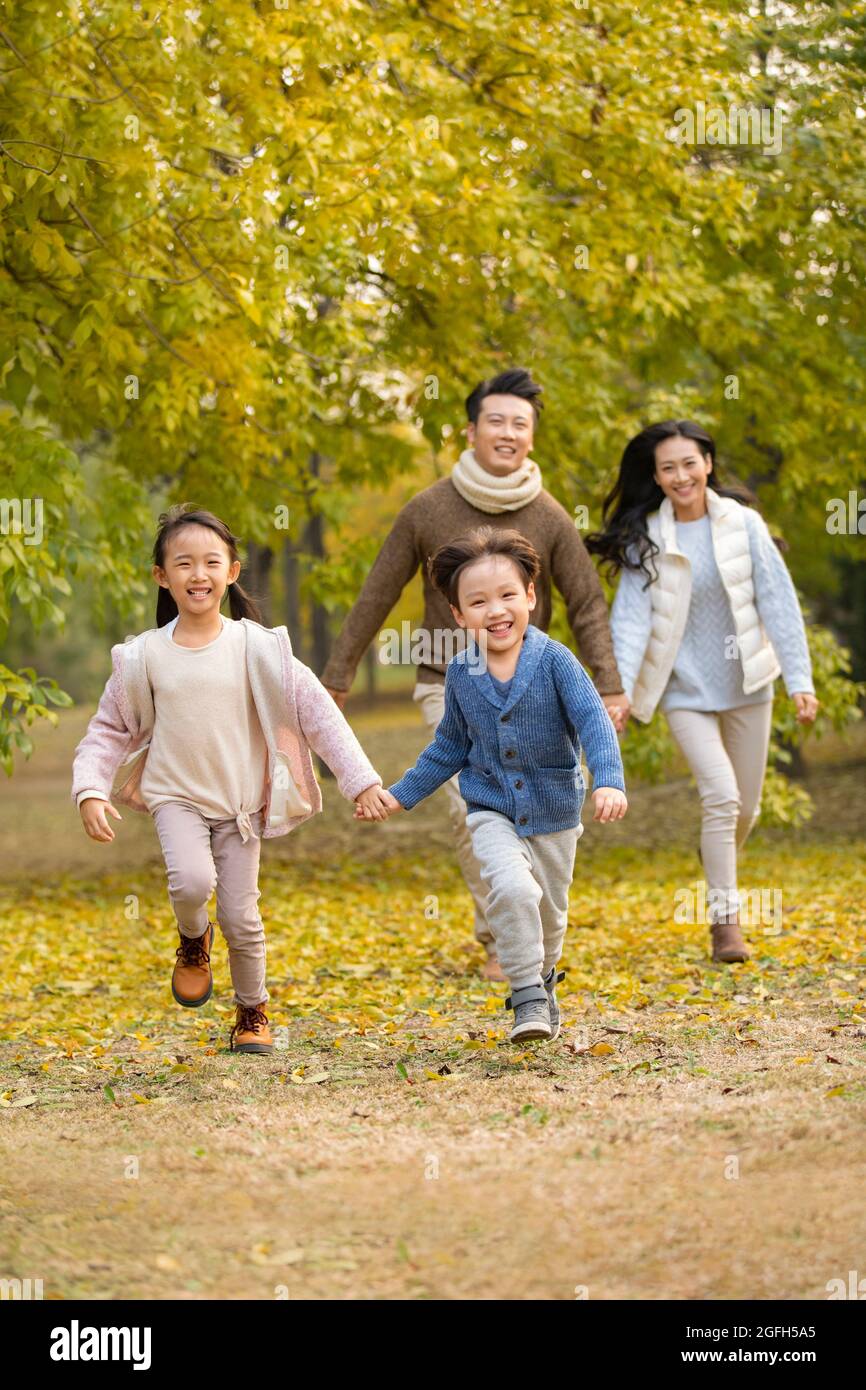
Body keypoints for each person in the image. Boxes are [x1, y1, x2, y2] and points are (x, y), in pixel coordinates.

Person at [323, 367, 626, 981]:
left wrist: (609, 682)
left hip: (530, 681)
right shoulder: (427, 508)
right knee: (469, 808)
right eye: (496, 421)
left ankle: (527, 925)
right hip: (447, 677)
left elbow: (587, 601)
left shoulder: (549, 515)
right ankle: (498, 937)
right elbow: (377, 593)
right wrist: (338, 674)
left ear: (531, 437)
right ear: (471, 431)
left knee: (535, 817)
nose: (508, 432)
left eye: (521, 423)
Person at [71, 505, 387, 1054]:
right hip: (175, 796)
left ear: (232, 572)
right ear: (161, 576)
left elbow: (318, 714)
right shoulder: (142, 657)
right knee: (190, 883)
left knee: (242, 916)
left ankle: (251, 1010)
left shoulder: (261, 650)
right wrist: (91, 789)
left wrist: (359, 780)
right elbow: (107, 731)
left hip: (241, 807)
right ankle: (193, 939)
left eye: (211, 562)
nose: (199, 574)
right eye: (184, 563)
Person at [354, 527, 628, 1043]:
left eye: (507, 595)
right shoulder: (460, 671)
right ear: (458, 615)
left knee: (548, 911)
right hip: (490, 807)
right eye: (477, 601)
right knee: (511, 888)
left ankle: (544, 978)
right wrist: (399, 794)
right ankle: (525, 994)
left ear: (530, 596)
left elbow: (594, 722)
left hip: (554, 809)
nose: (495, 610)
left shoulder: (556, 662)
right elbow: (449, 747)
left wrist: (608, 781)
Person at [586, 421, 818, 962]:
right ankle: (725, 924)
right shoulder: (646, 536)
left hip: (748, 684)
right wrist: (616, 691)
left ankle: (714, 855)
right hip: (684, 689)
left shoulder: (745, 525)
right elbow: (631, 621)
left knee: (746, 810)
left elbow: (778, 603)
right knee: (722, 796)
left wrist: (799, 679)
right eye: (668, 467)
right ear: (657, 476)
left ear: (708, 463)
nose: (680, 475)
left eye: (689, 463)